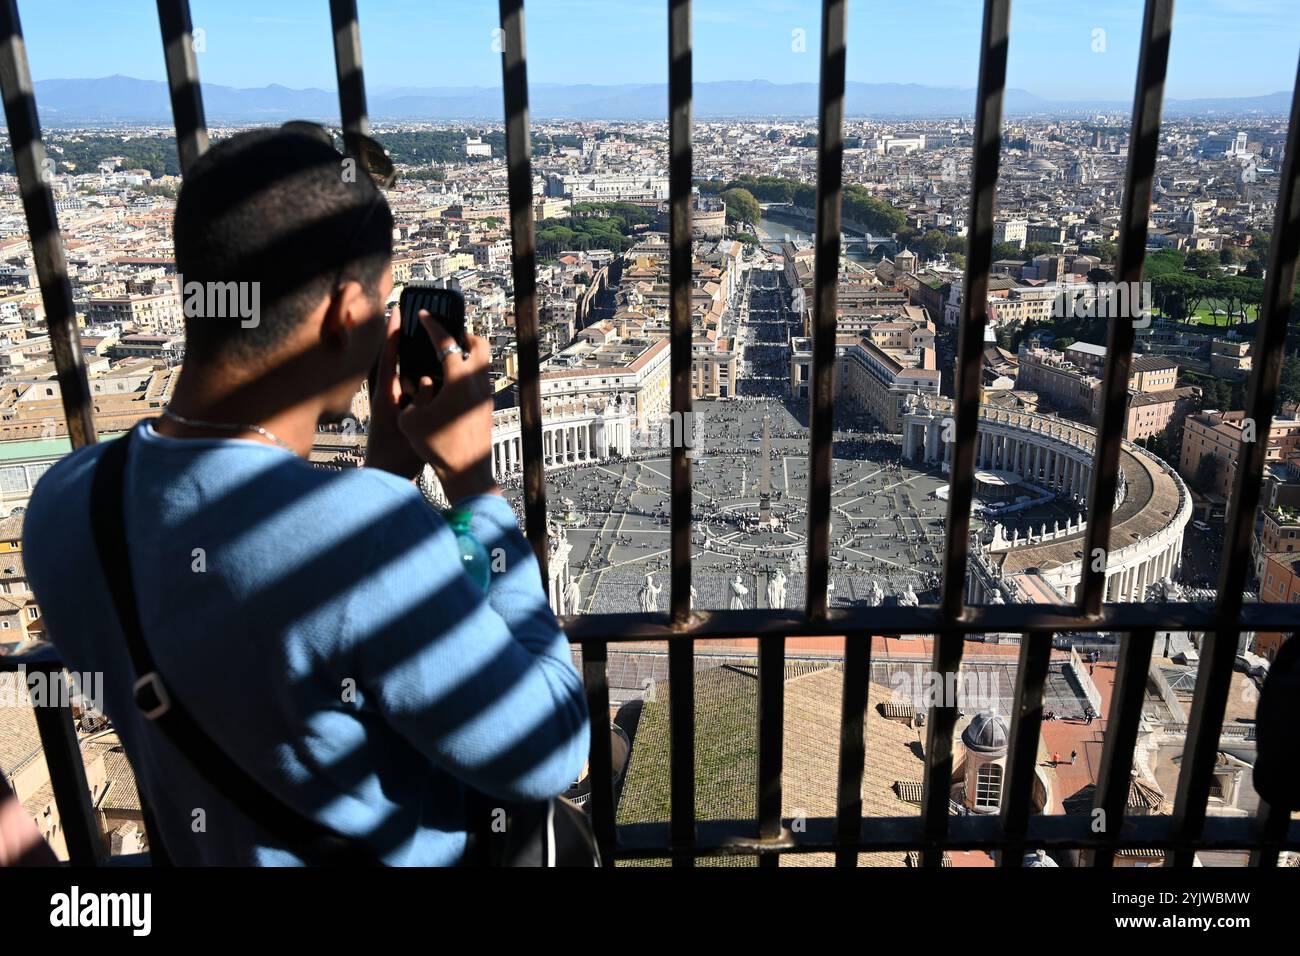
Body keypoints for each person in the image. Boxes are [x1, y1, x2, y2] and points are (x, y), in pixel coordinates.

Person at [23, 130, 589, 866]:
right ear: (345, 311)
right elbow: (547, 749)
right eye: (384, 306)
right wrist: (474, 487)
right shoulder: (364, 534)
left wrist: (383, 466)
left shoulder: (66, 503)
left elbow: (284, 646)